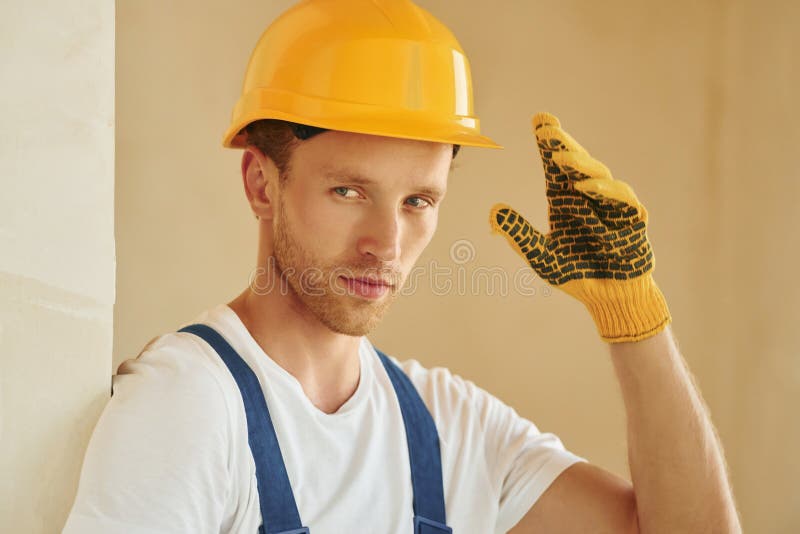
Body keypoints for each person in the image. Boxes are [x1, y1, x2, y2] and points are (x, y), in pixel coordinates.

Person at [63, 1, 741, 532]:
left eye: (418, 200)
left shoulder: (448, 428)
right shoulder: (189, 406)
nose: (385, 244)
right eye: (349, 192)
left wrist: (634, 320)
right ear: (261, 185)